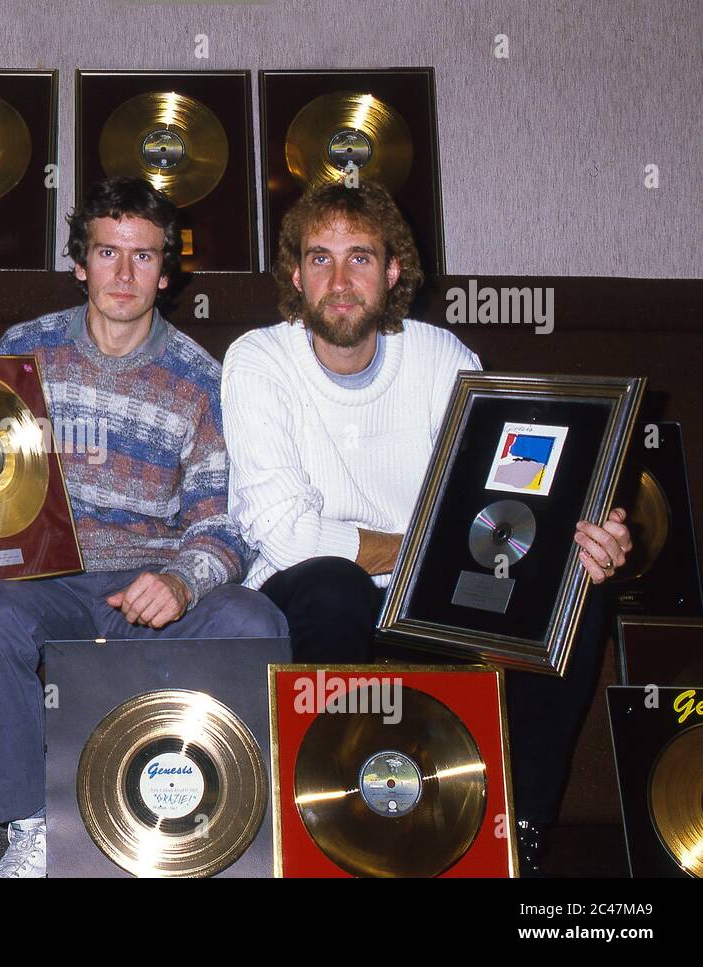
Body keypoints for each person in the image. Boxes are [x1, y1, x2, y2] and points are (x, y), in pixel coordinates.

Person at [222, 181, 631, 872]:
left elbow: (498, 503)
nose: (340, 279)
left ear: (392, 271)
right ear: (295, 274)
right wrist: (432, 547)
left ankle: (519, 832)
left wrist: (581, 536)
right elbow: (290, 538)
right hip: (307, 593)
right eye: (320, 258)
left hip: (431, 598)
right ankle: (338, 831)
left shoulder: (443, 356)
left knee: (576, 588)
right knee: (334, 581)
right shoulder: (258, 358)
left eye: (361, 257)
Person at [0, 177, 289, 877]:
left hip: (150, 574)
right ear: (80, 263)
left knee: (256, 618)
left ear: (167, 272)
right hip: (46, 579)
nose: (124, 273)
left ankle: (229, 827)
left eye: (143, 256)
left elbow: (224, 522)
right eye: (107, 253)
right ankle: (31, 828)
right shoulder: (25, 346)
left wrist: (180, 580)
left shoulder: (199, 377)